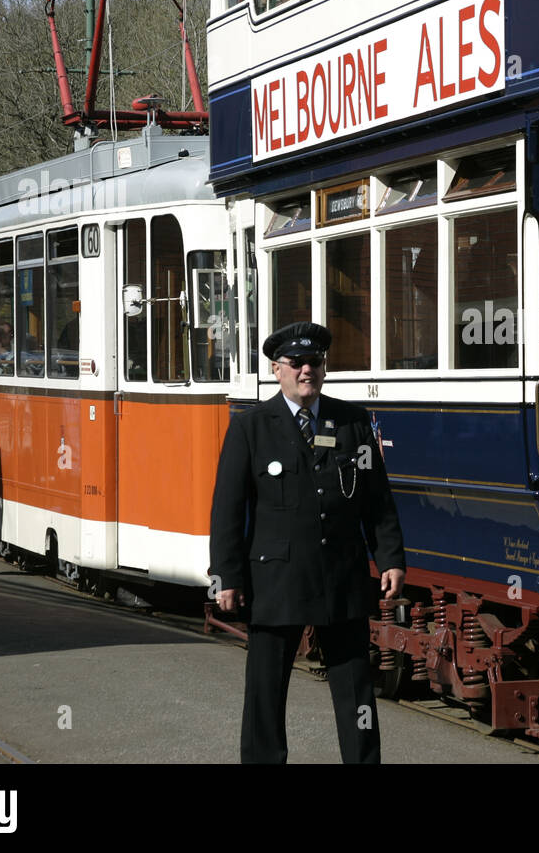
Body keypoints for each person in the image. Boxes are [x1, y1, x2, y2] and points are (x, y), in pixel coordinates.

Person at [209, 321, 406, 764]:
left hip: (341, 576)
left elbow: (377, 499)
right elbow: (228, 509)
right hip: (276, 579)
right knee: (265, 690)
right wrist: (226, 576)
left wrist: (390, 557)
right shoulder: (251, 428)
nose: (306, 371)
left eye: (314, 363)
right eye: (296, 363)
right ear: (277, 370)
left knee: (356, 691)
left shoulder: (352, 422)